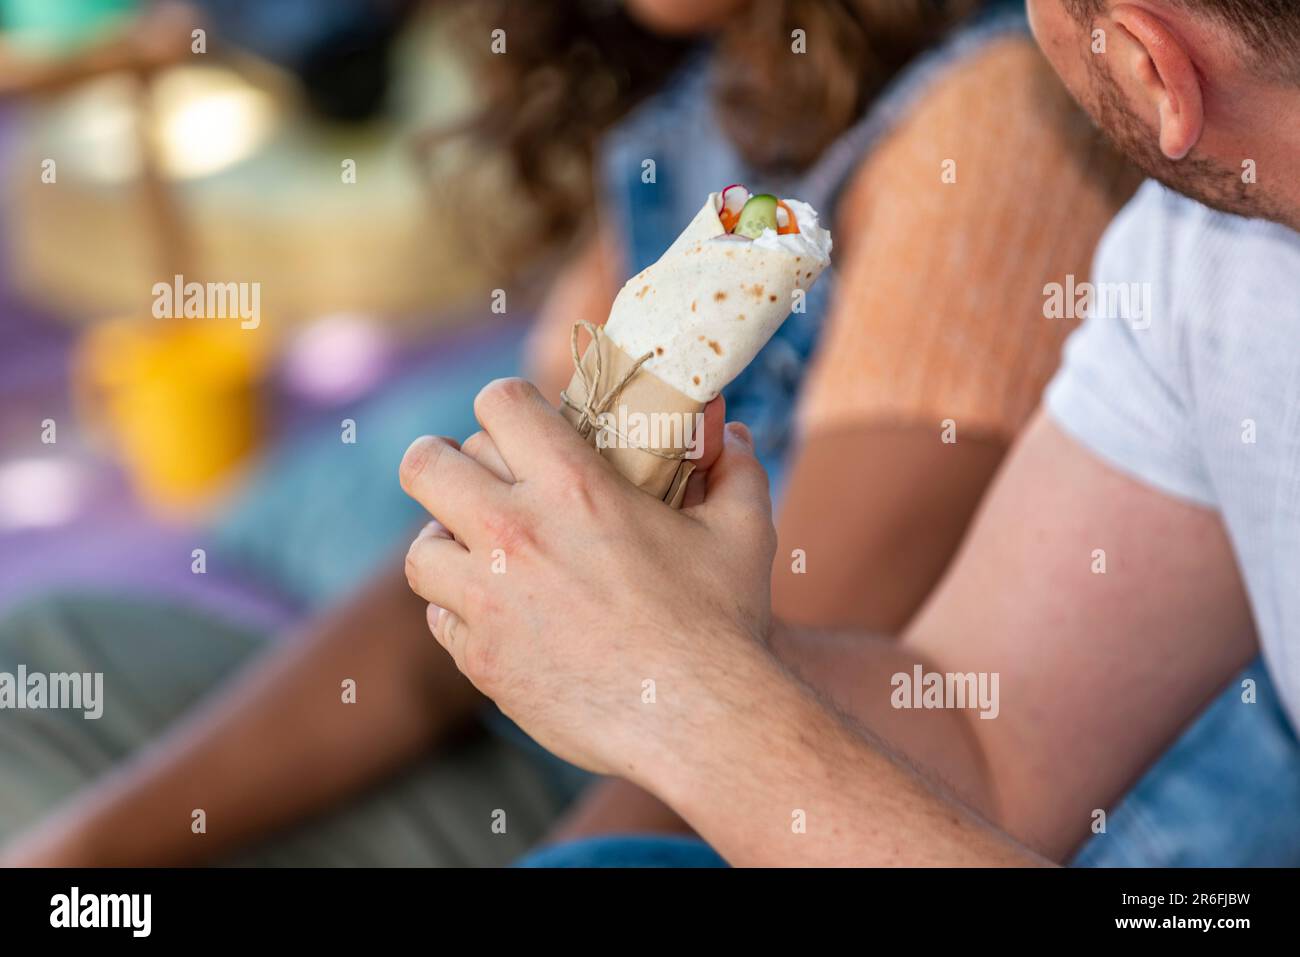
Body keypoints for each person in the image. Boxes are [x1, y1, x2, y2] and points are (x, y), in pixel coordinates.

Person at [0, 0, 1200, 867]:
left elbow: (756, 723)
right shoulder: (700, 110)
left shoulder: (992, 127)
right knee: (34, 659)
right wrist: (81, 856)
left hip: (691, 807)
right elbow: (480, 562)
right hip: (554, 735)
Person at [399, 0, 1300, 866]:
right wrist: (689, 619)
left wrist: (684, 689)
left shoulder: (995, 135)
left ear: (1152, 70)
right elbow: (982, 742)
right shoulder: (1201, 256)